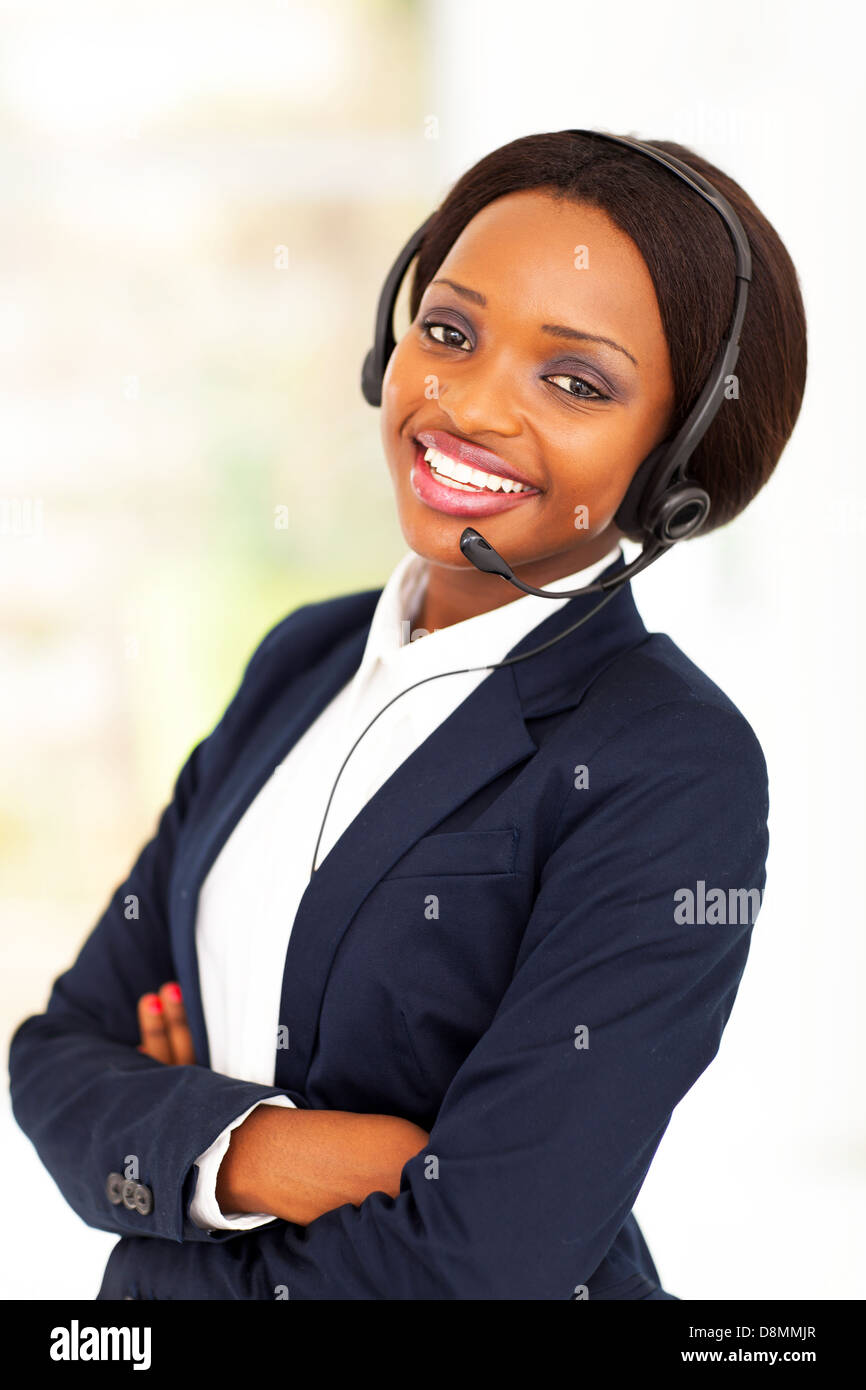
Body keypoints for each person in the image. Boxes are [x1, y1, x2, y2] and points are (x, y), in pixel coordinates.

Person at [8, 129, 807, 1300]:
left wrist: (164, 1230)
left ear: (674, 454)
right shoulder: (306, 656)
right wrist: (270, 1152)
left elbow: (488, 1253)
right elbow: (61, 1055)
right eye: (447, 331)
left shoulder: (670, 760)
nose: (469, 405)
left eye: (574, 381)